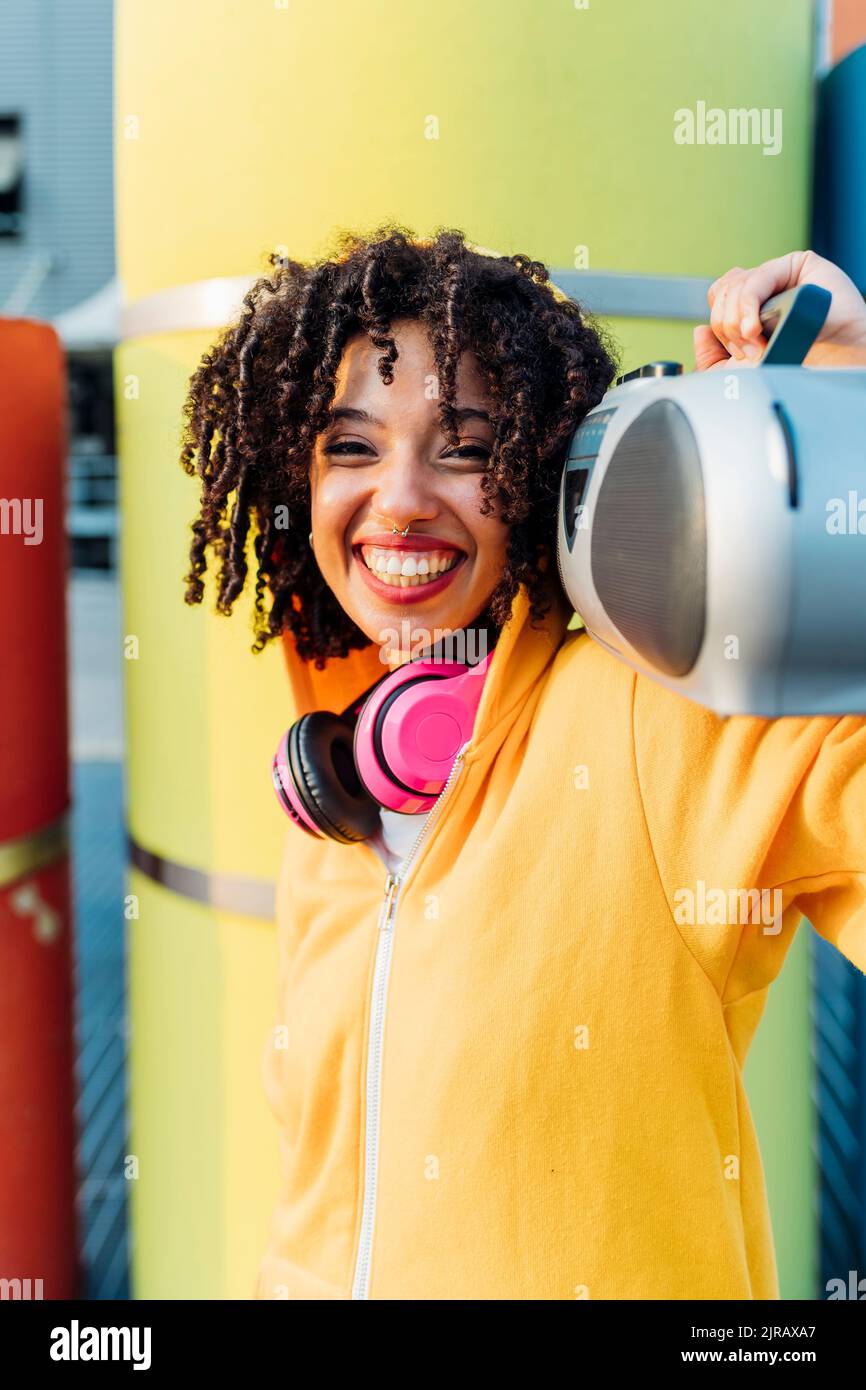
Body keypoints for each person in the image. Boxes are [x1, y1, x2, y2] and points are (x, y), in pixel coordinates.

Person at [179, 227, 866, 1300]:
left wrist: (849, 429)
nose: (399, 498)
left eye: (460, 447)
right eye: (349, 446)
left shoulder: (662, 718)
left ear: (536, 474)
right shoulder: (337, 795)